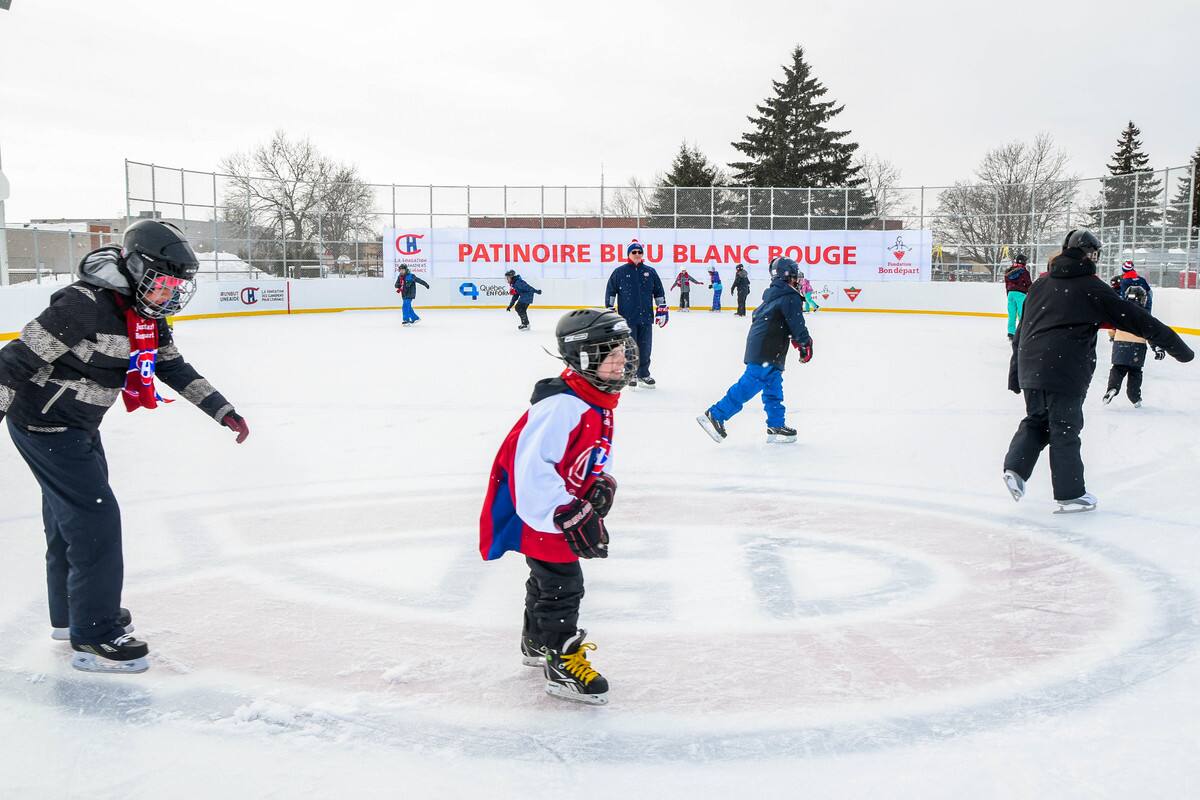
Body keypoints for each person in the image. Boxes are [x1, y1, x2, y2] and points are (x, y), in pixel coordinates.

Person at [0, 220, 250, 674]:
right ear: (136, 268)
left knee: (66, 520)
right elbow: (14, 360)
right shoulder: (81, 305)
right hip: (44, 425)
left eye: (176, 286)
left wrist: (221, 409)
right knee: (95, 520)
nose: (168, 294)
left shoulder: (147, 312)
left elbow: (171, 366)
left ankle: (70, 616)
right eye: (162, 283)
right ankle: (96, 634)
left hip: (78, 424)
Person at [478, 309, 637, 705]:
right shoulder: (562, 407)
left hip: (558, 511)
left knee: (547, 579)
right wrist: (564, 511)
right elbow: (530, 470)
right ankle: (560, 660)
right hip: (545, 516)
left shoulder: (596, 399)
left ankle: (536, 642)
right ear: (583, 358)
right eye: (609, 353)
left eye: (621, 350)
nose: (620, 360)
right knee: (563, 587)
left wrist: (602, 482)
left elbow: (595, 452)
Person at [1003, 229, 1192, 514]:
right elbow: (1138, 319)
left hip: (1032, 366)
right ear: (1088, 255)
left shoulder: (1041, 284)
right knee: (1065, 428)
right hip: (1065, 366)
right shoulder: (1091, 286)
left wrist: (1016, 373)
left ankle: (1015, 469)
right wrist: (1180, 349)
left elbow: (1021, 331)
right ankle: (1070, 494)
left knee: (1036, 420)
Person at [697, 257, 813, 445]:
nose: (797, 279)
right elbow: (797, 324)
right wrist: (805, 343)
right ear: (786, 276)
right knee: (751, 383)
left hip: (766, 348)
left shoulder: (774, 295)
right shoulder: (789, 296)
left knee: (773, 387)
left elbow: (768, 318)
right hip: (767, 350)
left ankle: (776, 425)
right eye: (794, 276)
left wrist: (794, 340)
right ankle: (715, 414)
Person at [604, 243, 667, 387]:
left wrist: (662, 307)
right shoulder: (620, 272)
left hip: (646, 317)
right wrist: (609, 307)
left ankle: (644, 374)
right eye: (634, 252)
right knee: (631, 347)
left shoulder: (650, 272)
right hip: (627, 317)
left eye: (639, 252)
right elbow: (611, 291)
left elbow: (658, 292)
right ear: (628, 254)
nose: (637, 254)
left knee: (645, 348)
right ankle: (631, 374)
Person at [1103, 285, 1164, 408]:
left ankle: (1112, 388)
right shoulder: (1145, 315)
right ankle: (1134, 396)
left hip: (1120, 344)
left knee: (1118, 368)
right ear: (1142, 299)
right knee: (1135, 372)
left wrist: (1112, 336)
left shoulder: (1120, 312)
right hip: (1138, 346)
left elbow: (1112, 327)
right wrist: (1157, 348)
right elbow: (1150, 334)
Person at [1004, 254, 1032, 340]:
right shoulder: (1024, 271)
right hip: (1020, 294)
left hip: (1010, 294)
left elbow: (1006, 284)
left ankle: (1011, 333)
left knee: (1012, 314)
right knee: (1021, 314)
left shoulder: (1009, 271)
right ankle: (1021, 333)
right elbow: (1028, 283)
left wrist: (1008, 294)